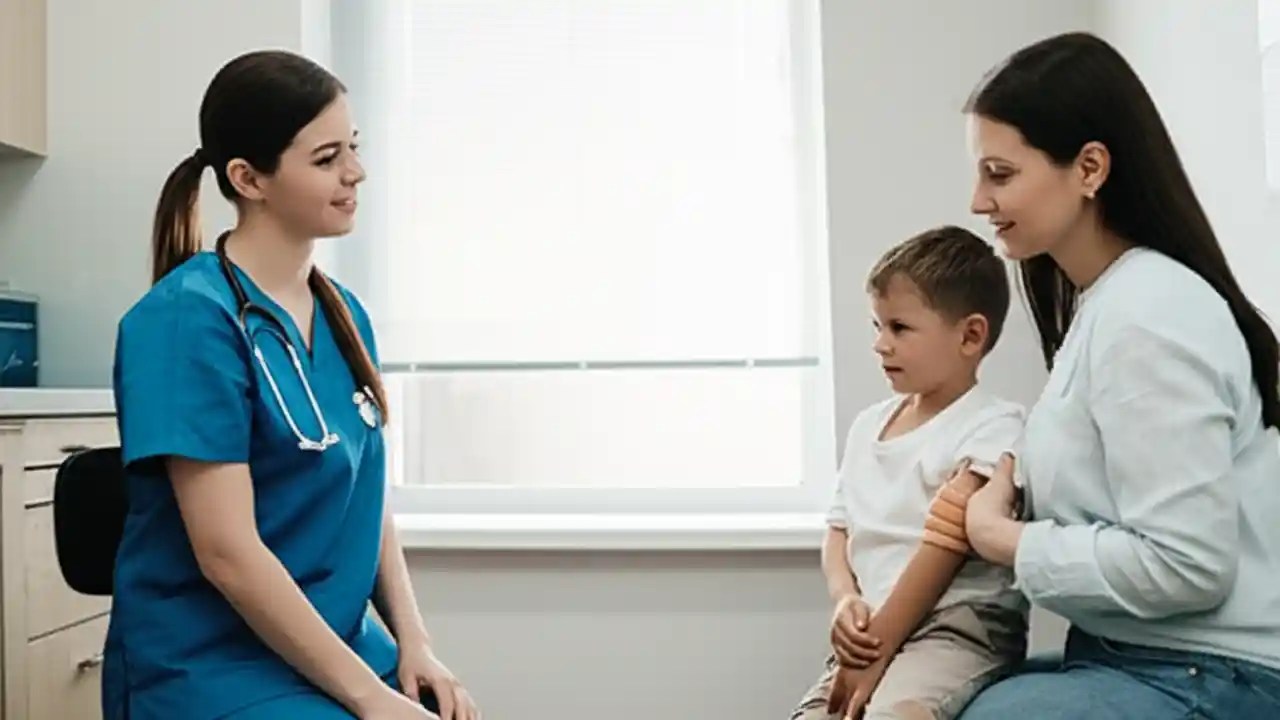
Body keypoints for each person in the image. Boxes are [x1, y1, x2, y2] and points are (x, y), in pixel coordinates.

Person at [104, 50, 480, 720]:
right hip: (213, 662)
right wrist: (370, 698)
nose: (355, 173)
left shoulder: (343, 314)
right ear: (249, 179)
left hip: (335, 644)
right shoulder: (187, 321)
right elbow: (227, 554)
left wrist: (413, 644)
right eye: (327, 156)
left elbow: (367, 500)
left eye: (354, 149)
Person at [936, 32, 1280, 719]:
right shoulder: (1109, 305)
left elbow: (1187, 566)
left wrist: (1004, 539)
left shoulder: (1150, 312)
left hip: (1211, 674)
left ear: (1089, 167)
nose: (978, 201)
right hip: (1137, 656)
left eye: (999, 174)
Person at [787, 226, 1029, 720]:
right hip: (875, 625)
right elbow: (839, 531)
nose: (880, 344)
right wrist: (844, 599)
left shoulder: (994, 426)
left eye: (899, 328)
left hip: (956, 628)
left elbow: (946, 546)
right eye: (876, 326)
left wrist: (876, 648)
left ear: (970, 335)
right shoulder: (868, 426)